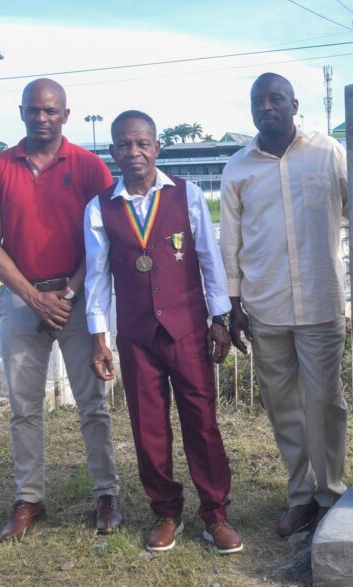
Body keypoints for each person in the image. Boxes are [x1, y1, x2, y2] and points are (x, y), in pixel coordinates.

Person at [84, 110, 241, 554]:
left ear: (156, 148)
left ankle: (215, 513)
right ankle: (166, 512)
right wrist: (100, 337)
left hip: (188, 328)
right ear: (112, 151)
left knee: (202, 421)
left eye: (142, 144)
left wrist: (219, 319)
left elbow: (210, 260)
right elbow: (97, 279)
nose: (133, 152)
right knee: (148, 427)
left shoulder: (186, 196)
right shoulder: (101, 208)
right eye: (123, 145)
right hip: (136, 335)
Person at [0, 78, 121, 542]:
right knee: (23, 407)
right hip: (22, 301)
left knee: (93, 405)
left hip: (76, 302)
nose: (42, 117)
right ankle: (29, 500)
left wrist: (70, 294)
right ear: (21, 113)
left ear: (65, 114)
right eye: (34, 110)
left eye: (50, 110)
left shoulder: (88, 166)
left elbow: (101, 242)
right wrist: (32, 296)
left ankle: (106, 495)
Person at [221, 72, 349, 538]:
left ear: (294, 104)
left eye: (276, 99)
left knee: (325, 404)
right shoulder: (238, 167)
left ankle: (330, 495)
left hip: (320, 303)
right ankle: (301, 497)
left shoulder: (327, 152)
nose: (267, 107)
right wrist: (233, 306)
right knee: (283, 407)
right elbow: (230, 240)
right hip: (265, 305)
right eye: (259, 100)